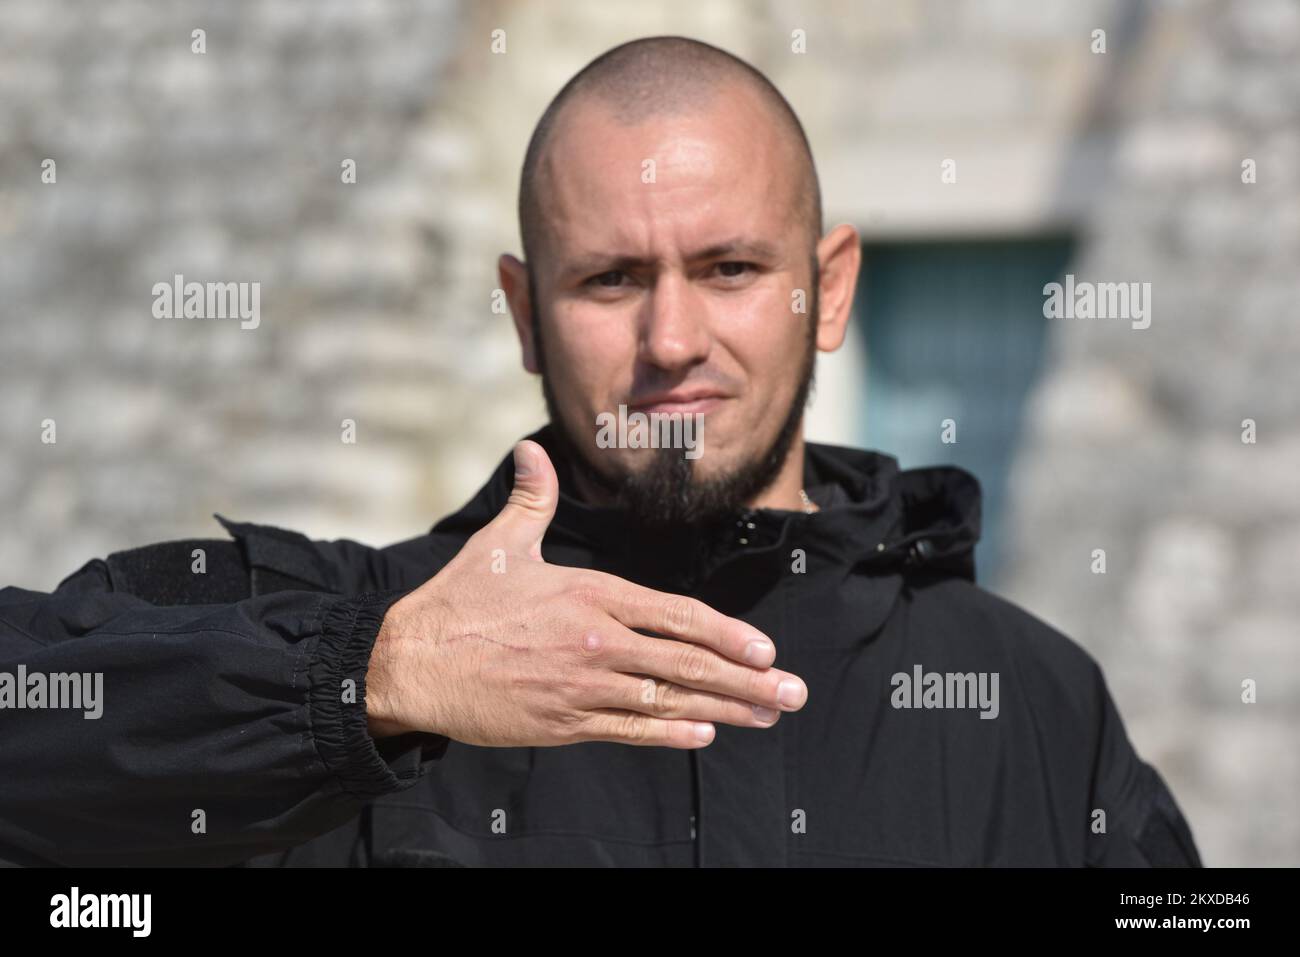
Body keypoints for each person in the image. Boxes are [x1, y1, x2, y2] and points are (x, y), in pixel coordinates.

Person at [0, 36, 1200, 867]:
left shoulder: (1034, 701)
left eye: (731, 269)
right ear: (524, 315)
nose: (671, 339)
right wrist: (374, 677)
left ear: (825, 292)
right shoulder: (374, 633)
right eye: (609, 279)